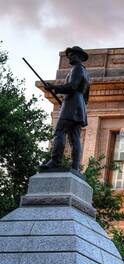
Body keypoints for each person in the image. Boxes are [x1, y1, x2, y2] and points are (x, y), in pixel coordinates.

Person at [41, 45, 91, 173]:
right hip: (79, 106)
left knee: (60, 132)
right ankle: (75, 167)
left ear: (79, 56)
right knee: (75, 138)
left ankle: (55, 161)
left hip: (72, 105)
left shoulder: (77, 68)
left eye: (72, 55)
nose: (69, 57)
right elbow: (85, 96)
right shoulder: (86, 73)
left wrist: (54, 88)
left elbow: (72, 86)